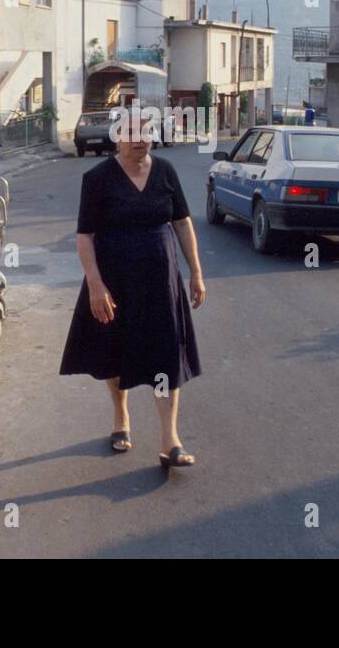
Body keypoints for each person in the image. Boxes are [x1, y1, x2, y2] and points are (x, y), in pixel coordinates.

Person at [60, 106, 206, 470]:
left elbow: (182, 224)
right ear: (117, 137)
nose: (140, 139)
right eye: (132, 133)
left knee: (165, 354)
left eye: (146, 131)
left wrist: (196, 273)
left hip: (161, 280)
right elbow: (85, 236)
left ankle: (169, 439)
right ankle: (120, 415)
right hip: (113, 281)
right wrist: (95, 285)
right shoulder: (98, 179)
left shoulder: (166, 171)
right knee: (113, 349)